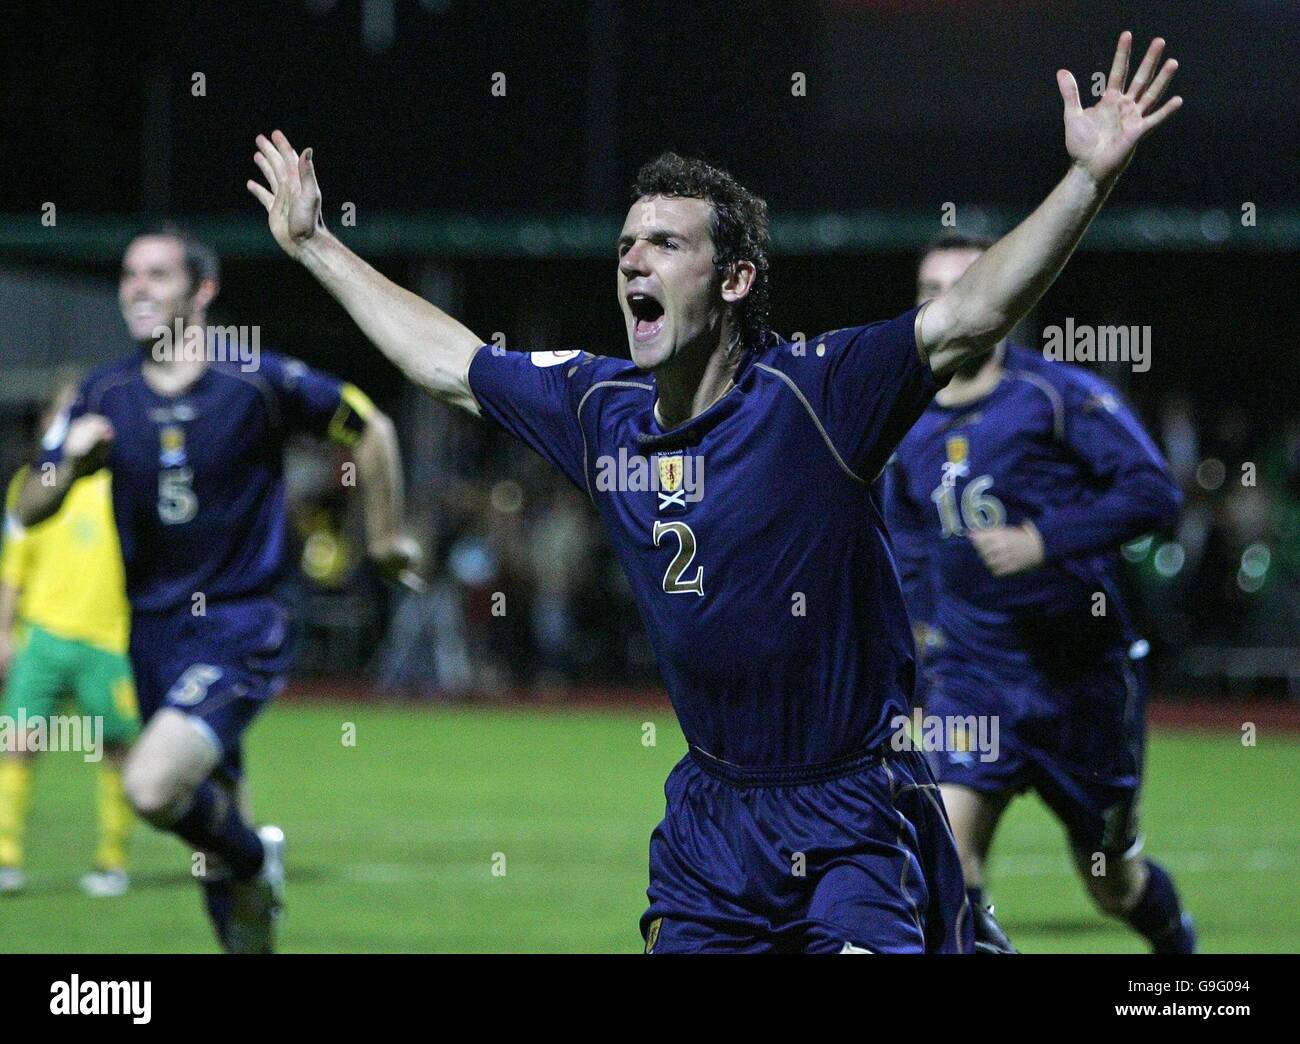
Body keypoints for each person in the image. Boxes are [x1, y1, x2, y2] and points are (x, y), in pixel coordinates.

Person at [246, 31, 1180, 951]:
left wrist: (1088, 179)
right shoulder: (597, 406)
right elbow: (450, 363)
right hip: (713, 821)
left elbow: (971, 313)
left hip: (854, 808)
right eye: (625, 244)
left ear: (733, 279)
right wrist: (317, 245)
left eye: (665, 243)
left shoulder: (818, 394)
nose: (632, 260)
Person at [14, 225, 420, 952]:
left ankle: (259, 858)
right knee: (213, 835)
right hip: (151, 634)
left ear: (201, 291)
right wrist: (67, 466)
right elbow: (25, 508)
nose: (137, 288)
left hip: (241, 624)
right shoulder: (103, 393)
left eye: (157, 275)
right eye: (130, 274)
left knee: (151, 786)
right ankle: (247, 907)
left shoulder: (257, 380)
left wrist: (383, 540)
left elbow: (372, 427)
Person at [885, 234, 1195, 952]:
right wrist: (917, 635)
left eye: (962, 286)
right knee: (945, 866)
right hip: (973, 681)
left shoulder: (1057, 396)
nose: (944, 304)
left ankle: (1186, 962)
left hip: (1081, 684)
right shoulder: (903, 420)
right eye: (929, 289)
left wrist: (1047, 540)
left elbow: (1154, 493)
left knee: (1111, 882)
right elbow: (905, 541)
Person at [0, 384, 139, 897]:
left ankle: (112, 860)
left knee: (118, 751)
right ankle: (6, 857)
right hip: (42, 636)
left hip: (109, 640)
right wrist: (2, 633)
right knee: (18, 743)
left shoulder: (121, 486)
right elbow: (12, 572)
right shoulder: (30, 487)